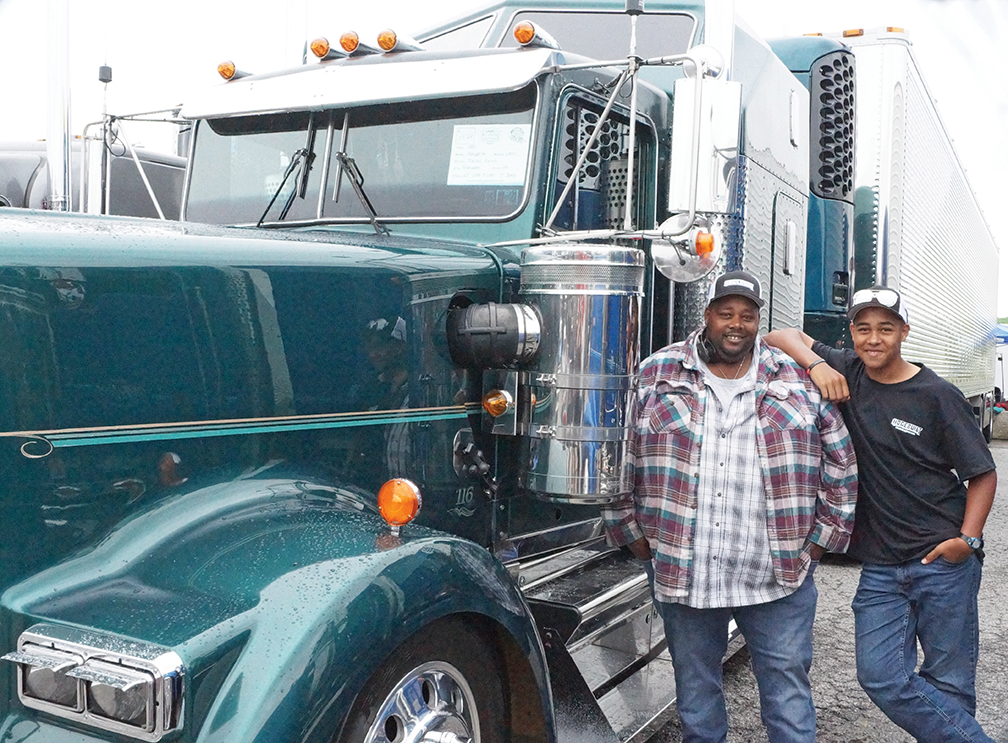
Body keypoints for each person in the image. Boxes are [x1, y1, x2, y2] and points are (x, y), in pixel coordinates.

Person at [603, 270, 858, 743]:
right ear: (707, 316)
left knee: (787, 698)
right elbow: (620, 454)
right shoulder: (657, 372)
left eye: (747, 315)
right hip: (686, 570)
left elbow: (840, 463)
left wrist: (821, 544)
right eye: (726, 313)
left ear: (758, 320)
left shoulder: (795, 377)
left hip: (777, 573)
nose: (735, 324)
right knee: (697, 696)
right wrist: (626, 528)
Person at [765, 285, 997, 743]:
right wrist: (817, 364)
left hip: (942, 560)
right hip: (881, 567)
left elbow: (983, 475)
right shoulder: (849, 368)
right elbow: (781, 335)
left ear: (904, 332)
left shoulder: (937, 395)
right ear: (851, 332)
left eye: (886, 329)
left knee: (949, 682)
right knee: (881, 677)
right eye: (863, 328)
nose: (874, 339)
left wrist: (966, 542)